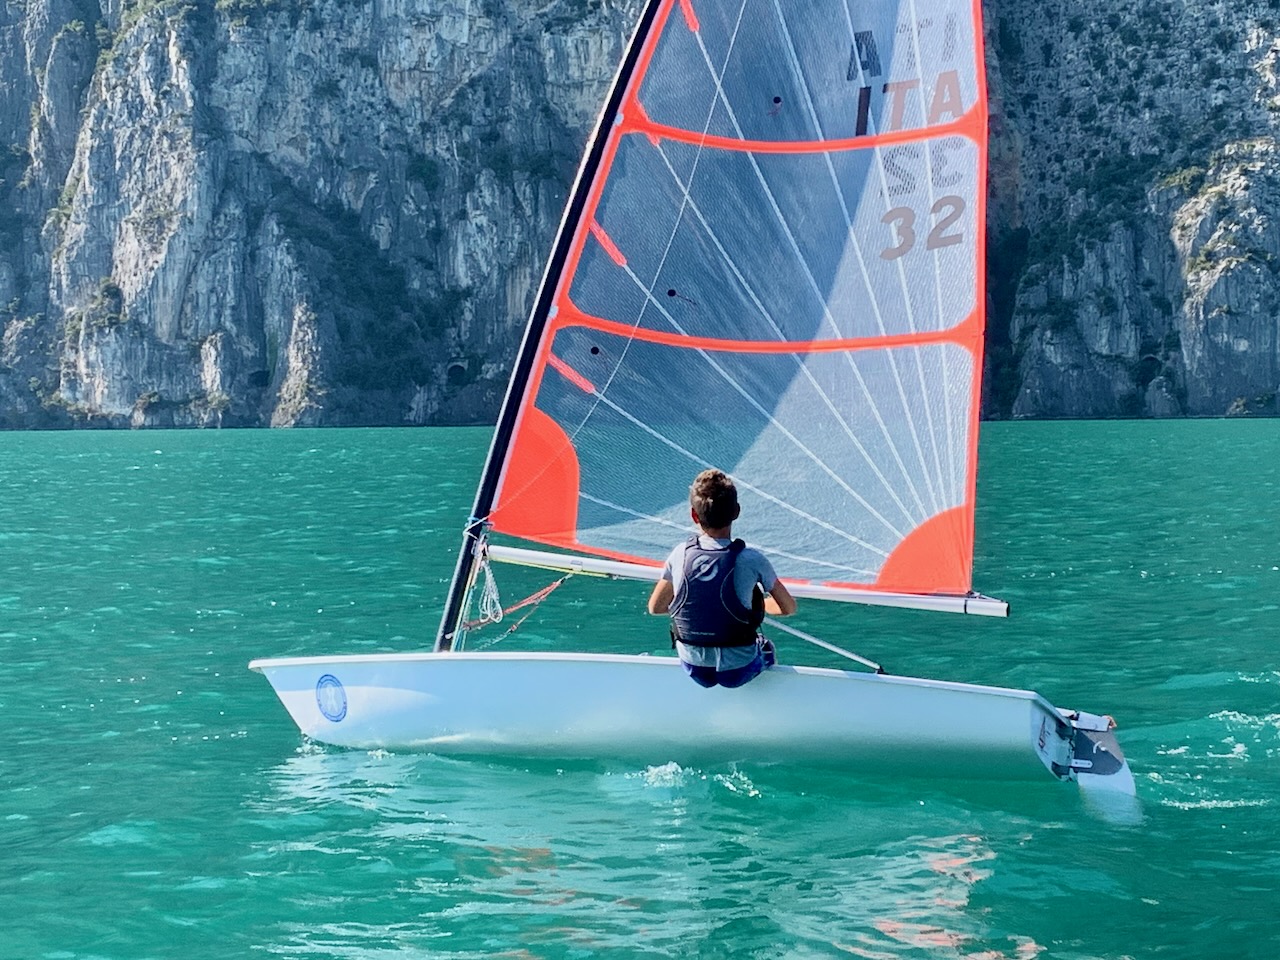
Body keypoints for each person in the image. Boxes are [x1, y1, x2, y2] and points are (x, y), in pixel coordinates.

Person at [647, 469, 797, 688]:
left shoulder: (680, 553)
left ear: (693, 515)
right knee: (766, 647)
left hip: (694, 668)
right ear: (737, 512)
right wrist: (752, 607)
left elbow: (656, 607)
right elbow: (788, 607)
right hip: (738, 670)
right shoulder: (751, 559)